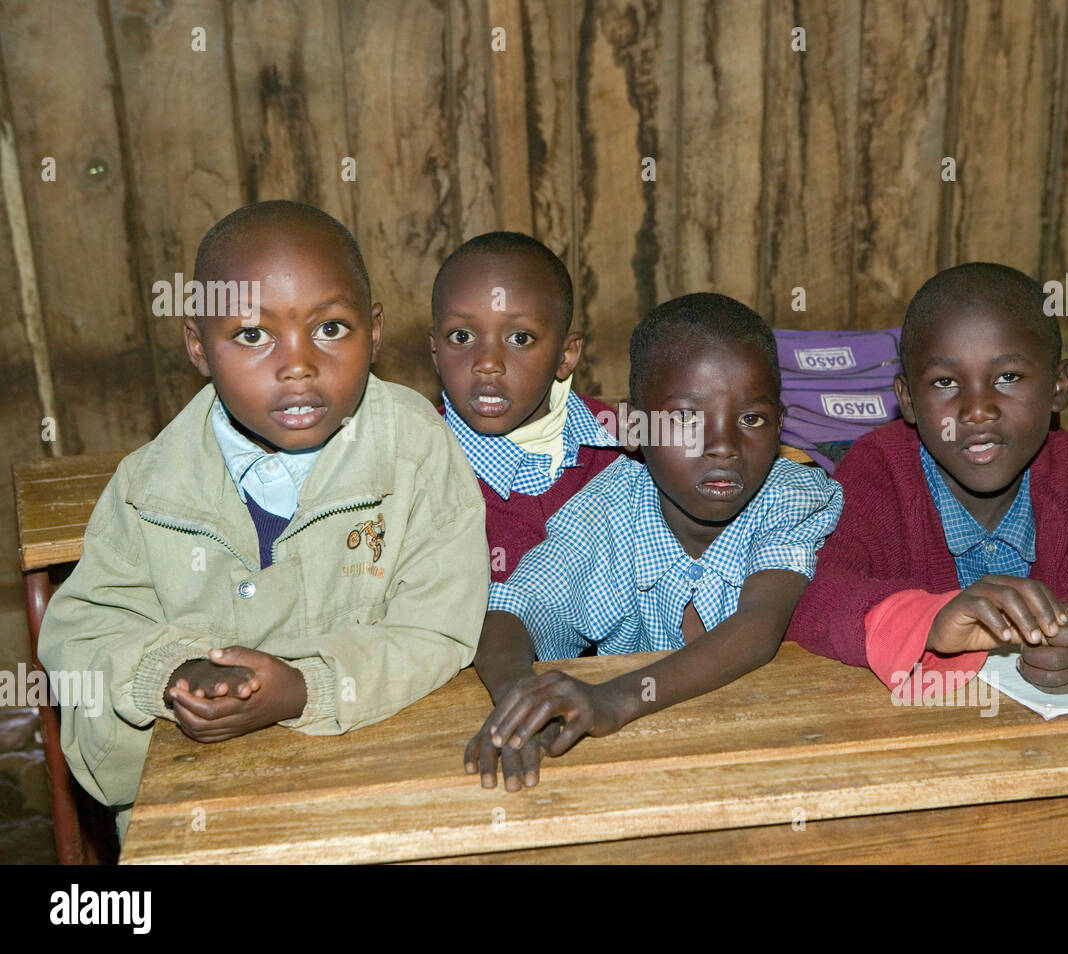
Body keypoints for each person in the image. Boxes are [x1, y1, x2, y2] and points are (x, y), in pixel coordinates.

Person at [38, 200, 488, 839]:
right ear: (199, 347)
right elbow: (81, 632)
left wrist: (307, 689)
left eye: (330, 329)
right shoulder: (150, 486)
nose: (298, 364)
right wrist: (171, 674)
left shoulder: (416, 450)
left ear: (376, 331)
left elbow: (437, 631)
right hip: (202, 808)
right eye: (252, 335)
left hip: (372, 785)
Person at [788, 262, 1068, 696]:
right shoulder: (881, 476)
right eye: (945, 383)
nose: (978, 409)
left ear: (1058, 387)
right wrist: (930, 620)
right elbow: (810, 590)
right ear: (907, 399)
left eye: (1008, 377)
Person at [465, 293, 843, 790]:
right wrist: (523, 701)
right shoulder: (608, 510)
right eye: (687, 418)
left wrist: (613, 700)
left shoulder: (793, 496)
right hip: (649, 771)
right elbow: (508, 610)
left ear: (779, 426)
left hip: (789, 758)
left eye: (752, 419)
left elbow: (758, 626)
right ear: (636, 428)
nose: (724, 445)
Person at [429, 232, 623, 582]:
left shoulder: (624, 448)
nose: (487, 363)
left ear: (566, 356)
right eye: (462, 337)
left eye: (520, 338)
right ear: (435, 353)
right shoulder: (416, 468)